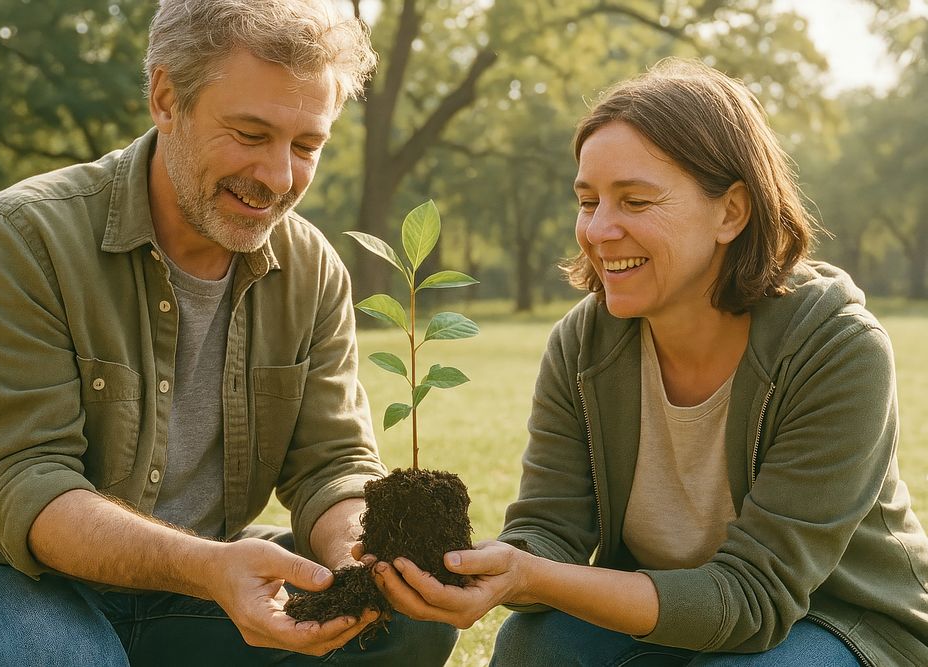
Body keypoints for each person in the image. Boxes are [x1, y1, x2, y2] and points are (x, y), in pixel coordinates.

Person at [0, 0, 457, 664]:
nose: (278, 177)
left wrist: (360, 556)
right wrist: (208, 568)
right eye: (250, 134)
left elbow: (333, 463)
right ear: (165, 98)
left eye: (306, 146)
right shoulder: (23, 237)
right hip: (5, 578)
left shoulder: (312, 268)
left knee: (405, 621)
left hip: (196, 585)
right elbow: (25, 482)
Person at [367, 58, 928, 666]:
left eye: (635, 201)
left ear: (731, 212)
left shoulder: (837, 349)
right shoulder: (583, 344)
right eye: (588, 201)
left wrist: (532, 577)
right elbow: (550, 528)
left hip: (835, 621)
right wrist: (493, 567)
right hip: (669, 608)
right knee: (536, 645)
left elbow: (754, 598)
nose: (599, 230)